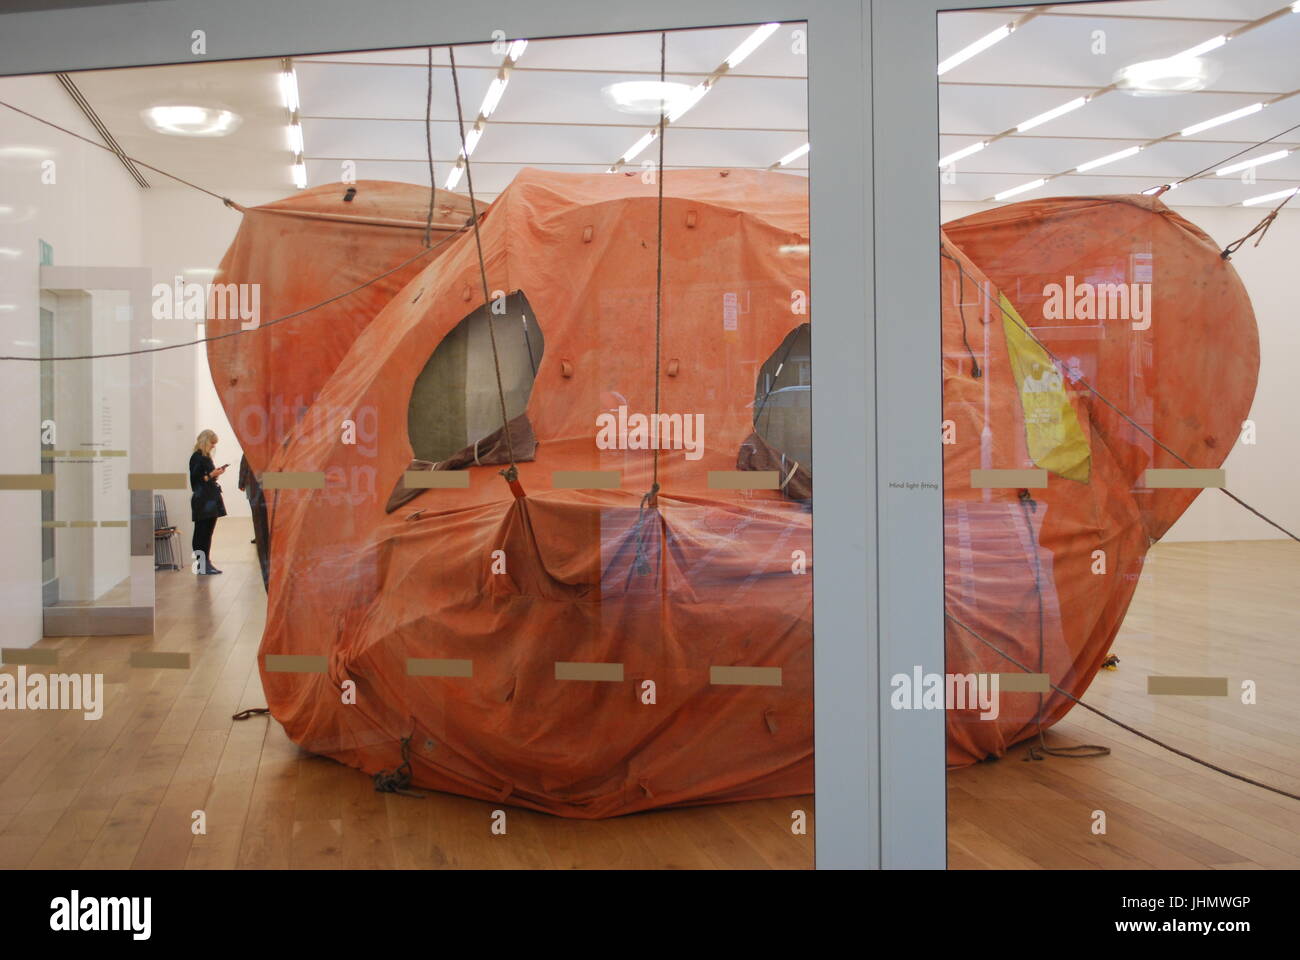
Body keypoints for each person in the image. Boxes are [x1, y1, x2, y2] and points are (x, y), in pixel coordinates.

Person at [189, 429, 228, 575]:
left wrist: (214, 474)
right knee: (202, 533)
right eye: (212, 443)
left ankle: (206, 563)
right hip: (203, 500)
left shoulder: (205, 457)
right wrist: (211, 474)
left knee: (207, 533)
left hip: (210, 499)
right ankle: (202, 564)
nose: (213, 446)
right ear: (205, 441)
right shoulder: (197, 458)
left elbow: (207, 478)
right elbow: (196, 482)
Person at [237, 453, 270, 590]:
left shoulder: (252, 450)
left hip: (259, 488)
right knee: (260, 522)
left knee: (260, 522)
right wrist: (241, 482)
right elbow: (244, 466)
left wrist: (241, 482)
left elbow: (243, 466)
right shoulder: (251, 451)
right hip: (258, 489)